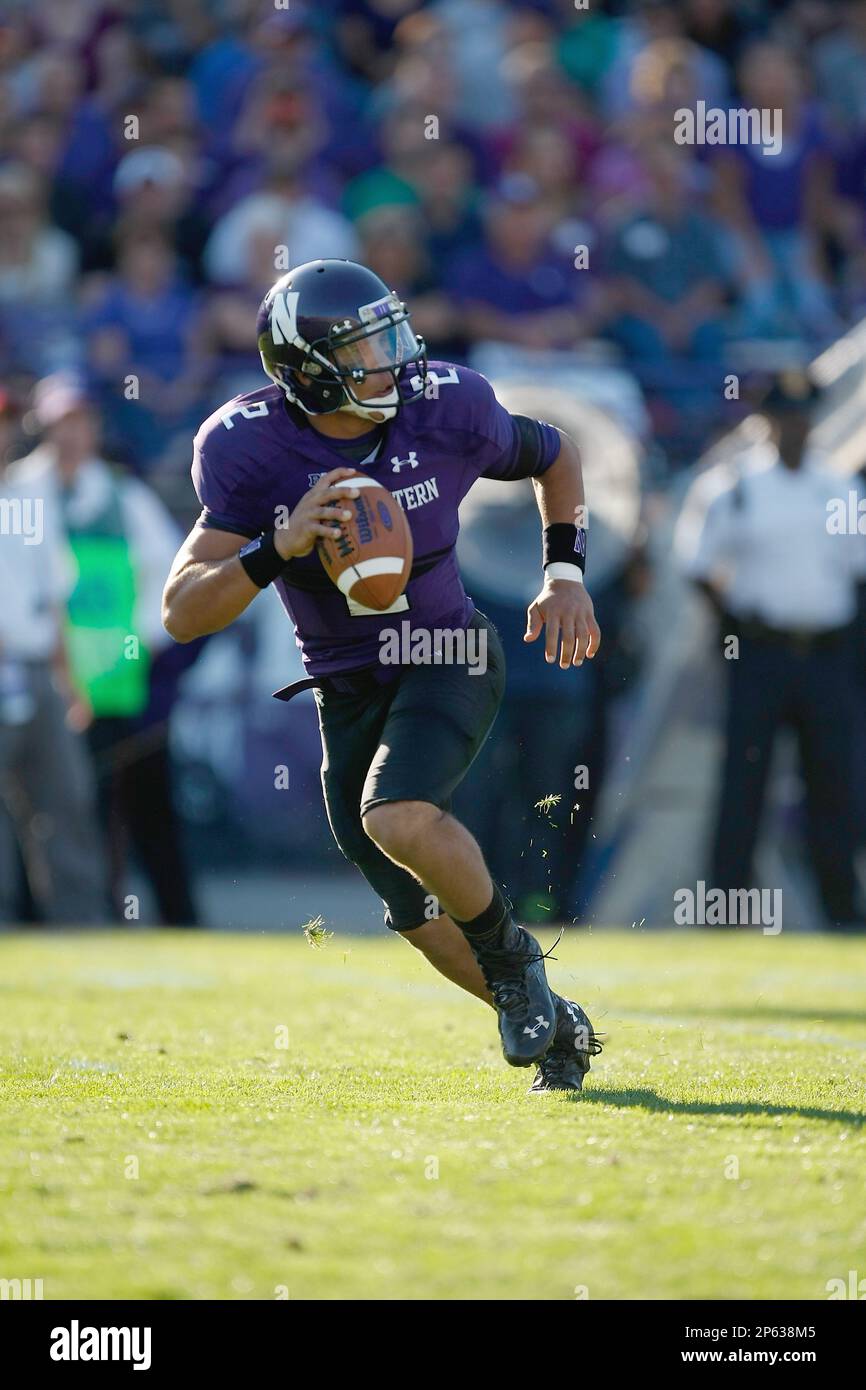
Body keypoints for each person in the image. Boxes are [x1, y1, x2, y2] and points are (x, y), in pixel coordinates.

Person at [162, 257, 604, 1092]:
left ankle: (517, 969)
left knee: (397, 817)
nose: (397, 358)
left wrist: (566, 574)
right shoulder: (248, 446)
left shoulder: (448, 405)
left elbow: (558, 454)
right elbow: (182, 610)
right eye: (370, 346)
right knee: (415, 914)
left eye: (393, 333)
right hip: (346, 684)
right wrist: (274, 549)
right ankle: (561, 1030)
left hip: (448, 653)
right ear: (314, 373)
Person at [677, 370, 866, 930]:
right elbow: (700, 567)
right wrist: (736, 627)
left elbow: (858, 574)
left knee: (833, 781)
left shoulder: (839, 489)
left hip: (827, 652)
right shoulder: (734, 487)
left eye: (804, 416)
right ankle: (727, 906)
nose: (795, 428)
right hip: (759, 651)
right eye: (785, 416)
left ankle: (842, 908)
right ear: (767, 421)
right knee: (744, 781)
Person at [11, 374, 199, 926]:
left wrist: (134, 645)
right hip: (46, 678)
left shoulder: (124, 495)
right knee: (48, 809)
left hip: (121, 682)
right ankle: (44, 918)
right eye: (60, 422)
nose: (71, 434)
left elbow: (169, 578)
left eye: (81, 421)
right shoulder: (19, 495)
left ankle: (175, 918)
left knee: (145, 805)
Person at [0, 388, 108, 924]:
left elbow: (56, 597)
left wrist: (71, 684)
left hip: (37, 671)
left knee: (65, 802)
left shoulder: (25, 503)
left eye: (4, 423)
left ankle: (80, 929)